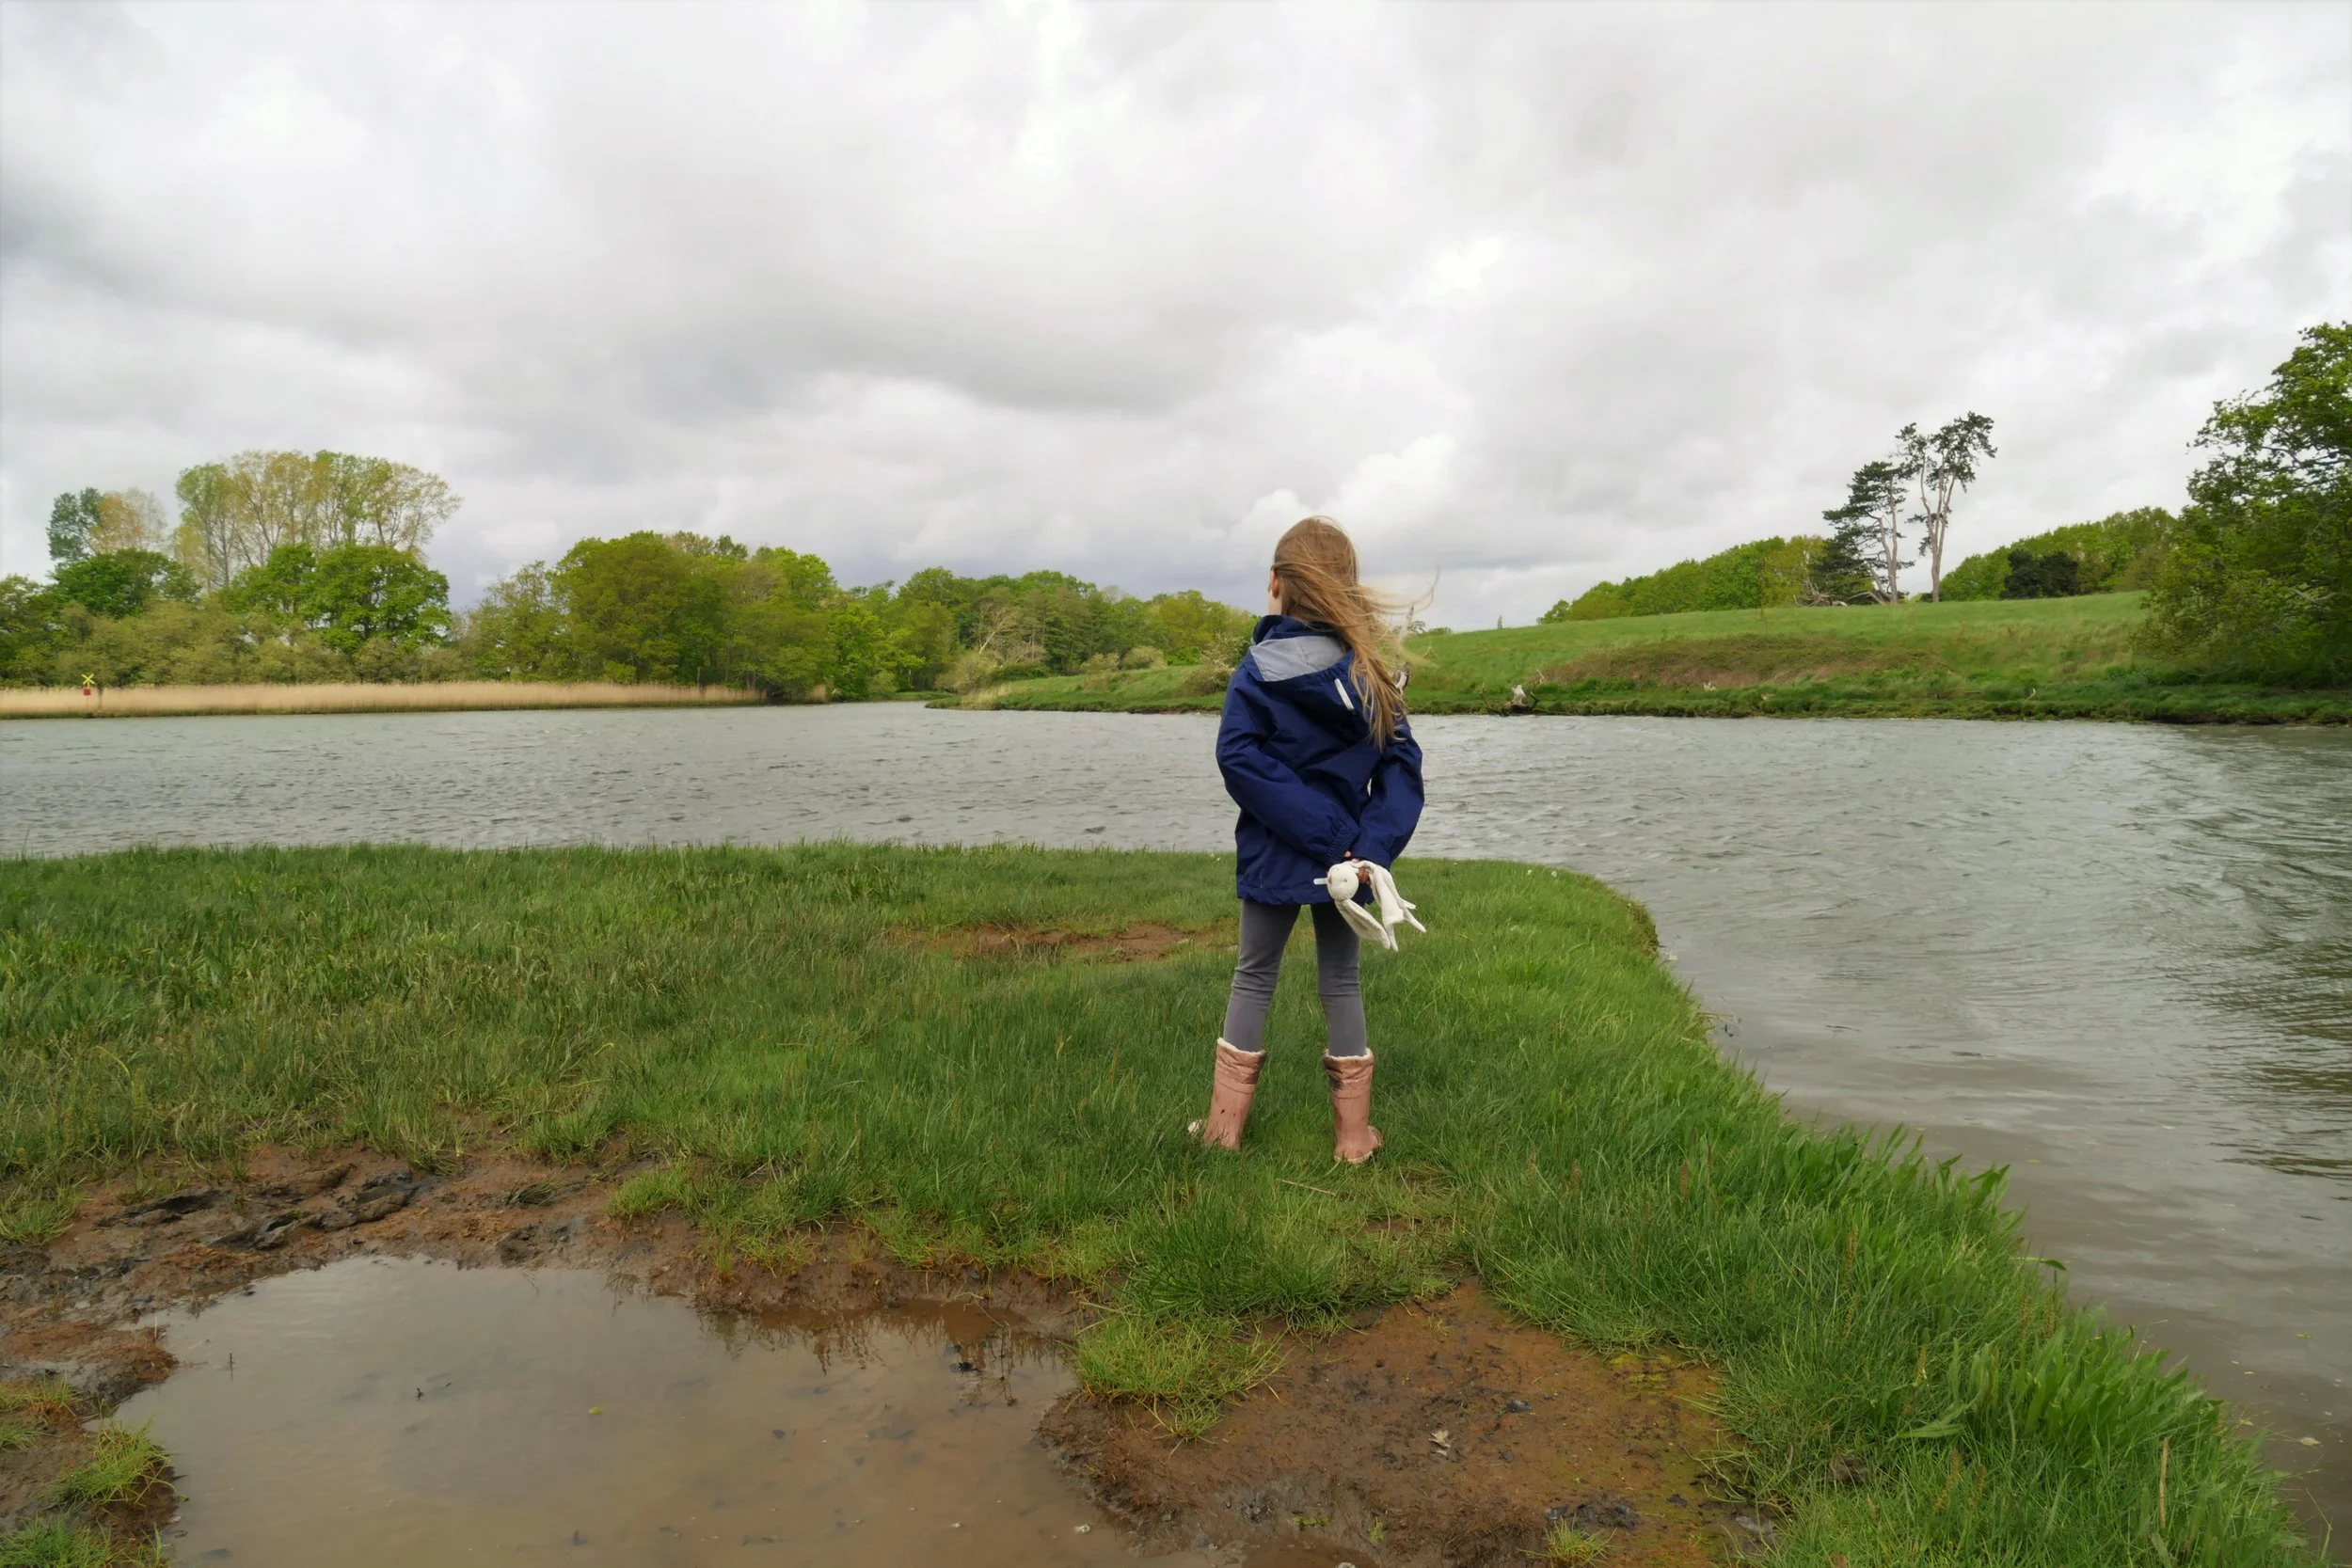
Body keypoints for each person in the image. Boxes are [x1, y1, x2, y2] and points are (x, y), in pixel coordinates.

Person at [1192, 516, 1424, 1164]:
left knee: (1254, 975)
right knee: (1341, 981)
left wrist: (1329, 841)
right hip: (1348, 865)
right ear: (1346, 590)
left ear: (1275, 584)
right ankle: (1353, 1140)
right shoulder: (1374, 674)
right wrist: (1362, 849)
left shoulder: (1256, 670)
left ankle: (1223, 1129)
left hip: (1277, 853)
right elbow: (1403, 772)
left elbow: (1239, 757)